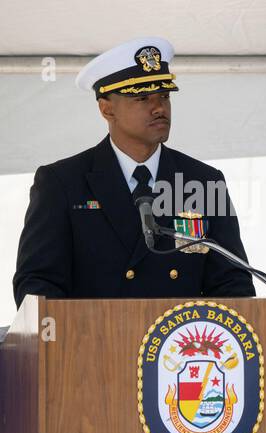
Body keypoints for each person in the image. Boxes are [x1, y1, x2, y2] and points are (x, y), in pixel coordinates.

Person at [13, 37, 253, 305]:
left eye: (164, 96)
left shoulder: (204, 181)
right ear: (106, 109)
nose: (159, 107)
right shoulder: (62, 182)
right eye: (142, 98)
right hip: (94, 343)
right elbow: (37, 283)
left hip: (180, 343)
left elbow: (233, 283)